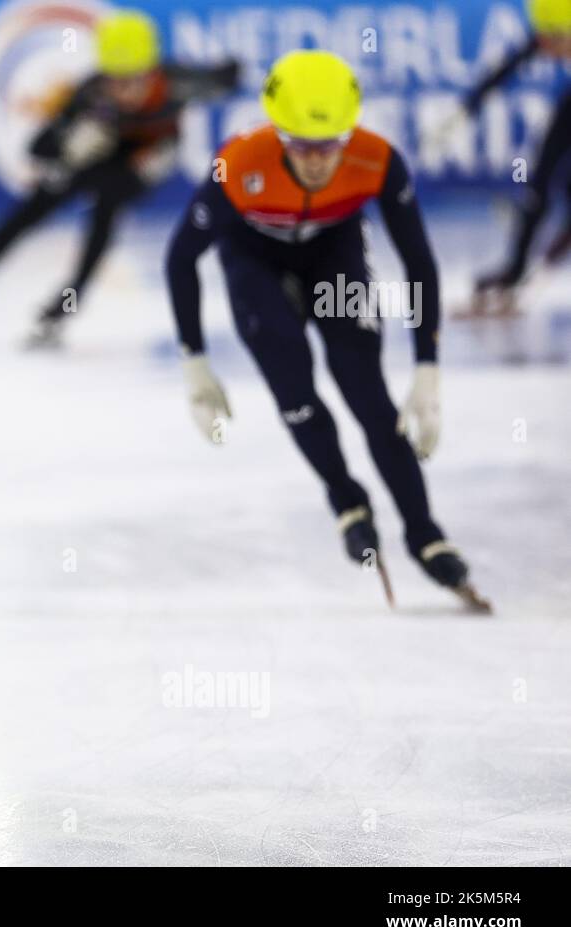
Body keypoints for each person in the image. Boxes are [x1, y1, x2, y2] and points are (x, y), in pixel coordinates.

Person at [164, 50, 487, 608]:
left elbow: (419, 263)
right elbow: (180, 258)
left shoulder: (378, 159)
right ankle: (345, 496)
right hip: (253, 258)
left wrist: (428, 370)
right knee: (291, 377)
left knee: (368, 394)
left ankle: (425, 534)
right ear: (277, 133)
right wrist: (194, 361)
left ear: (351, 131)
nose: (316, 160)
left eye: (330, 144)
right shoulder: (237, 162)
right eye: (300, 145)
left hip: (333, 252)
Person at [0, 9, 238, 347]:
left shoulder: (179, 82)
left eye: (134, 80)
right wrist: (69, 141)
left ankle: (63, 307)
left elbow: (228, 75)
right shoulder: (91, 94)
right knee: (32, 208)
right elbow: (39, 148)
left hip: (139, 163)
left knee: (108, 200)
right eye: (115, 80)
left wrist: (229, 75)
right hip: (97, 157)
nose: (123, 91)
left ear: (153, 71)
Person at [463, 0, 571, 307]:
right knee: (540, 178)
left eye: (558, 38)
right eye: (545, 37)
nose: (549, 47)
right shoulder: (555, 25)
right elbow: (510, 65)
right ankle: (515, 268)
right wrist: (472, 102)